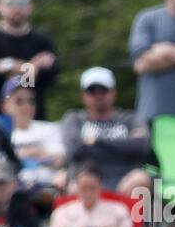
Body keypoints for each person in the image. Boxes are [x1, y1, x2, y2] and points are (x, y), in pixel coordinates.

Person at [59, 67, 152, 198]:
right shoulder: (74, 118)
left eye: (103, 90)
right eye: (92, 91)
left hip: (125, 181)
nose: (98, 96)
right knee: (74, 185)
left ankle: (133, 217)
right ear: (83, 95)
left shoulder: (130, 118)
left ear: (114, 92)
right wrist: (124, 145)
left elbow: (141, 146)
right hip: (85, 179)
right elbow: (74, 149)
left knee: (140, 179)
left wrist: (96, 141)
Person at [0, 0, 59, 119]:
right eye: (10, 3)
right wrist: (32, 67)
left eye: (22, 2)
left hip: (35, 119)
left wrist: (8, 66)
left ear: (30, 6)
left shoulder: (42, 41)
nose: (17, 8)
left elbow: (51, 76)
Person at [1, 79, 65, 193]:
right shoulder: (0, 133)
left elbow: (60, 160)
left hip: (49, 189)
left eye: (31, 101)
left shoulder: (51, 128)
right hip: (14, 192)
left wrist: (23, 154)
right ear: (5, 106)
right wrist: (38, 153)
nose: (26, 106)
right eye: (19, 101)